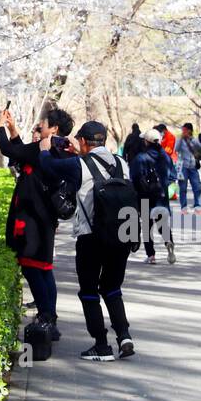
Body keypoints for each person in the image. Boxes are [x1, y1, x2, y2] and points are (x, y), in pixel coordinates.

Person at [0, 104, 76, 343]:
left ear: (53, 128)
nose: (39, 125)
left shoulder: (43, 148)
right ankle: (50, 321)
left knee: (32, 269)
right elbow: (22, 152)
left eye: (44, 122)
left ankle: (46, 318)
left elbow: (9, 150)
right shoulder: (63, 151)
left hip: (30, 221)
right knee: (44, 269)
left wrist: (0, 127)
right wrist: (13, 129)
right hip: (46, 220)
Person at [65, 121, 137, 360]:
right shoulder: (122, 163)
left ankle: (101, 345)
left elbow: (47, 166)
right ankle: (124, 336)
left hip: (91, 238)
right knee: (112, 288)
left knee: (89, 291)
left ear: (84, 142)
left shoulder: (78, 164)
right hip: (121, 236)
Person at [130, 127, 175, 264]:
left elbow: (134, 178)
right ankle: (169, 243)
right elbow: (172, 176)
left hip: (144, 196)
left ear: (146, 142)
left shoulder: (140, 158)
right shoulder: (166, 157)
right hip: (161, 196)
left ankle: (151, 256)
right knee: (162, 224)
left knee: (147, 226)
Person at [176, 123, 201, 212]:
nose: (183, 132)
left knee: (197, 186)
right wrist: (181, 138)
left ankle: (197, 205)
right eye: (182, 130)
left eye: (185, 130)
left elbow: (200, 147)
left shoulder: (194, 140)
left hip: (192, 166)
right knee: (183, 188)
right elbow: (176, 149)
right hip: (183, 167)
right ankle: (183, 206)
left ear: (189, 130)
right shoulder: (180, 140)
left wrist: (191, 139)